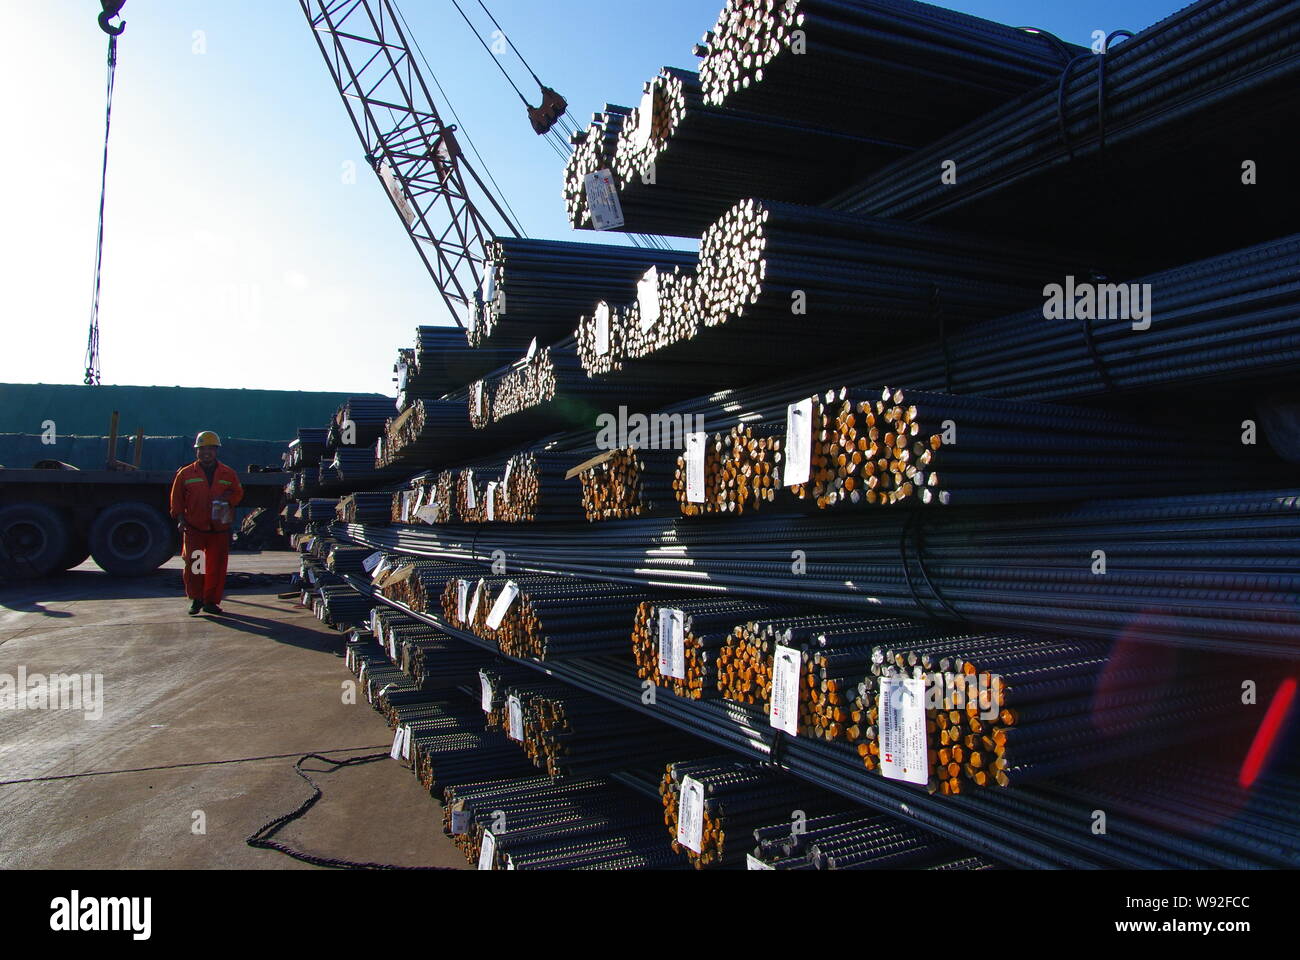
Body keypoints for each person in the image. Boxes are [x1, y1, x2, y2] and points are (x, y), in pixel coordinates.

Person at [169, 432, 244, 616]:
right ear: (197, 451)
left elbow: (238, 493)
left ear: (216, 450)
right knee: (196, 566)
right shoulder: (185, 474)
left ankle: (211, 602)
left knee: (216, 568)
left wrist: (228, 499)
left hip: (219, 531)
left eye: (210, 449)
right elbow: (176, 499)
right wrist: (180, 519)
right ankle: (196, 599)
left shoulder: (228, 473)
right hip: (195, 529)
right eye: (202, 449)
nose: (206, 453)